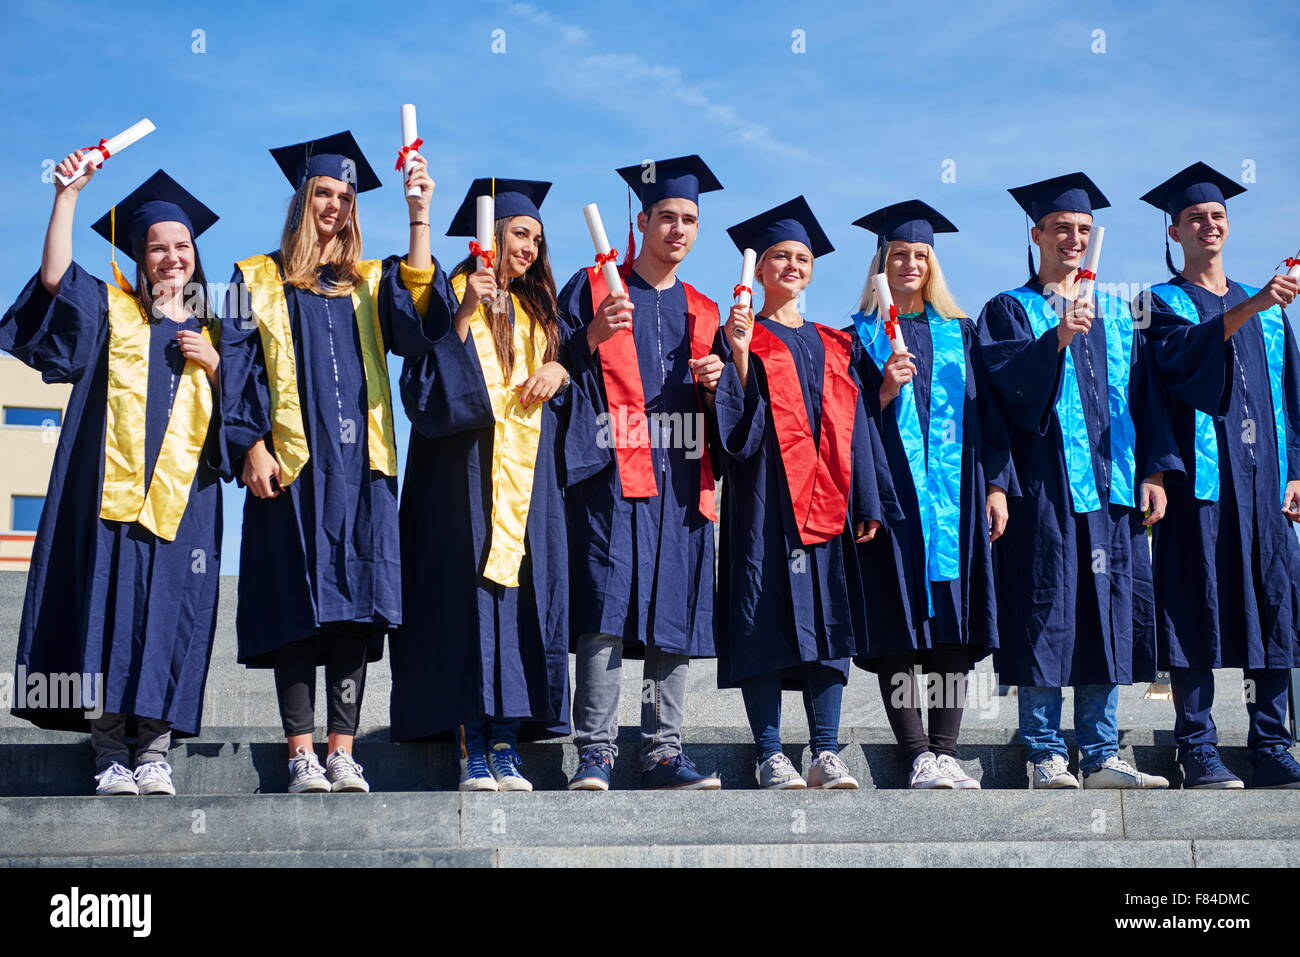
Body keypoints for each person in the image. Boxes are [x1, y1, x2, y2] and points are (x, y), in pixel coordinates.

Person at [220, 131, 439, 793]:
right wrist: (247, 442)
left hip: (363, 468)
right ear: (301, 199)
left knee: (355, 609)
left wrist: (418, 213)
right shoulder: (253, 276)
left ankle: (342, 749)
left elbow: (421, 321)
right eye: (324, 192)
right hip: (291, 466)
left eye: (345, 197)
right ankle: (300, 752)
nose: (336, 206)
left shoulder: (371, 283)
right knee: (296, 605)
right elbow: (234, 364)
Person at [3, 162, 226, 796]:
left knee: (169, 617)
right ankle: (108, 753)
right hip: (104, 504)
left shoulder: (217, 331)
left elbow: (248, 421)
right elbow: (53, 279)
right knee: (103, 611)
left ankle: (154, 750)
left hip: (185, 511)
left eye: (182, 246)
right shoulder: (109, 310)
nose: (171, 257)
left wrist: (215, 368)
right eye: (157, 247)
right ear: (138, 255)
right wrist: (67, 196)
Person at [978, 172, 1178, 789]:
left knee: (1109, 613)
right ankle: (1042, 750)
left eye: (1083, 229)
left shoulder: (1120, 313)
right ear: (1036, 233)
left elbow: (1147, 400)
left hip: (1113, 495)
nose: (1072, 237)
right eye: (1060, 227)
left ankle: (1100, 750)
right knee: (1046, 608)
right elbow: (1001, 396)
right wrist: (1057, 337)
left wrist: (1153, 471)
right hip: (1043, 489)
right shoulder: (1010, 308)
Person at [391, 178, 573, 792]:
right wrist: (466, 312)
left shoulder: (542, 311)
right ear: (489, 237)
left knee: (522, 605)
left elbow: (576, 384)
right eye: (520, 234)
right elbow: (421, 385)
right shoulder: (451, 293)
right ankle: (472, 745)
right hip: (463, 478)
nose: (530, 247)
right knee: (466, 606)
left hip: (529, 484)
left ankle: (506, 743)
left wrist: (560, 366)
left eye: (537, 239)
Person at [559, 155, 726, 790]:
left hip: (684, 482)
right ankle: (594, 752)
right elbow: (554, 369)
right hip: (610, 476)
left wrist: (720, 386)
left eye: (689, 219)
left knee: (673, 614)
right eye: (667, 218)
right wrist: (592, 337)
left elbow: (733, 413)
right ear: (642, 220)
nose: (679, 229)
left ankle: (663, 750)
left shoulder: (707, 312)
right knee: (604, 608)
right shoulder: (593, 286)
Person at [1135, 162, 1300, 789]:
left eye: (1217, 216)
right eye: (1195, 217)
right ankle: (1197, 746)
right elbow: (1175, 364)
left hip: (1265, 485)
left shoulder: (1267, 304)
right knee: (1194, 605)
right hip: (1198, 485)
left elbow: (1291, 393)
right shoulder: (1155, 303)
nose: (1209, 223)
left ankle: (1270, 744)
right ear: (1174, 232)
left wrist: (1299, 471)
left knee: (1272, 606)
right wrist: (1256, 302)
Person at [715, 197, 887, 789]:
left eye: (801, 258)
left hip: (830, 503)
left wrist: (868, 498)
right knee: (762, 612)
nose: (791, 265)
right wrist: (737, 356)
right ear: (759, 269)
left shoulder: (837, 344)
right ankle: (769, 752)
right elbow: (731, 425)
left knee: (829, 616)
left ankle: (825, 749)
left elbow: (860, 424)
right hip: (763, 502)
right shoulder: (740, 334)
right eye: (779, 257)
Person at [848, 201, 1016, 789]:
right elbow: (844, 425)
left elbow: (992, 418)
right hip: (892, 501)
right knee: (896, 619)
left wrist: (997, 485)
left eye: (920, 255)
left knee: (954, 619)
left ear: (933, 264)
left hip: (958, 499)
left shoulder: (962, 333)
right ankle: (916, 750)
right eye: (899, 255)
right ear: (881, 265)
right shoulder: (856, 338)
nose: (910, 263)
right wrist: (883, 392)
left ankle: (946, 750)